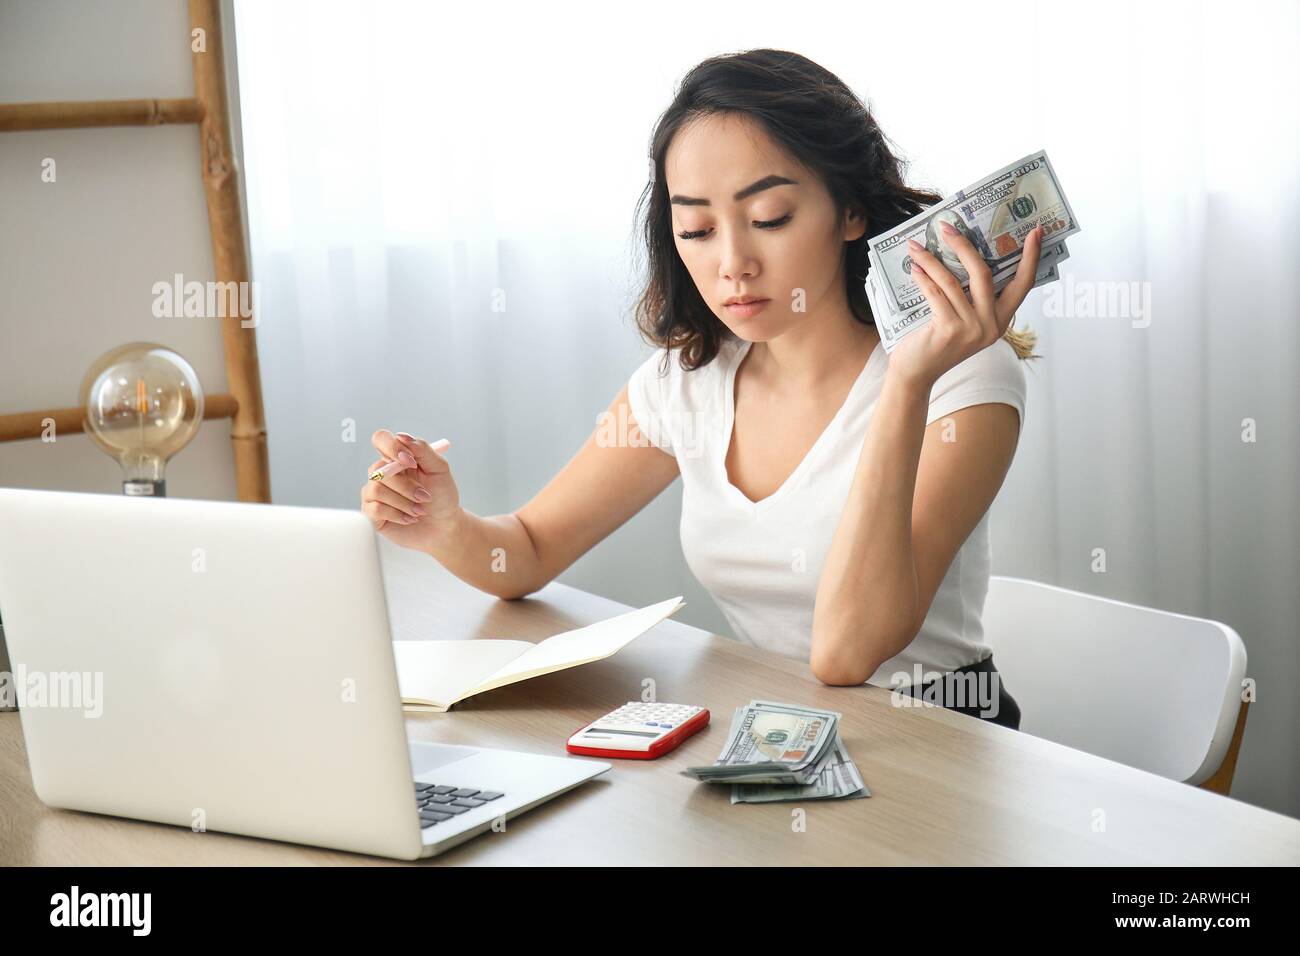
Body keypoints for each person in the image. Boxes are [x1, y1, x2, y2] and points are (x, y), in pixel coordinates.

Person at [360, 49, 1042, 731]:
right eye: (697, 229)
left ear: (851, 211)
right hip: (785, 731)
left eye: (770, 217)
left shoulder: (964, 380)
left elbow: (846, 654)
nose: (733, 265)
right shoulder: (688, 382)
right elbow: (529, 551)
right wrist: (445, 524)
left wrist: (907, 380)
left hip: (945, 737)